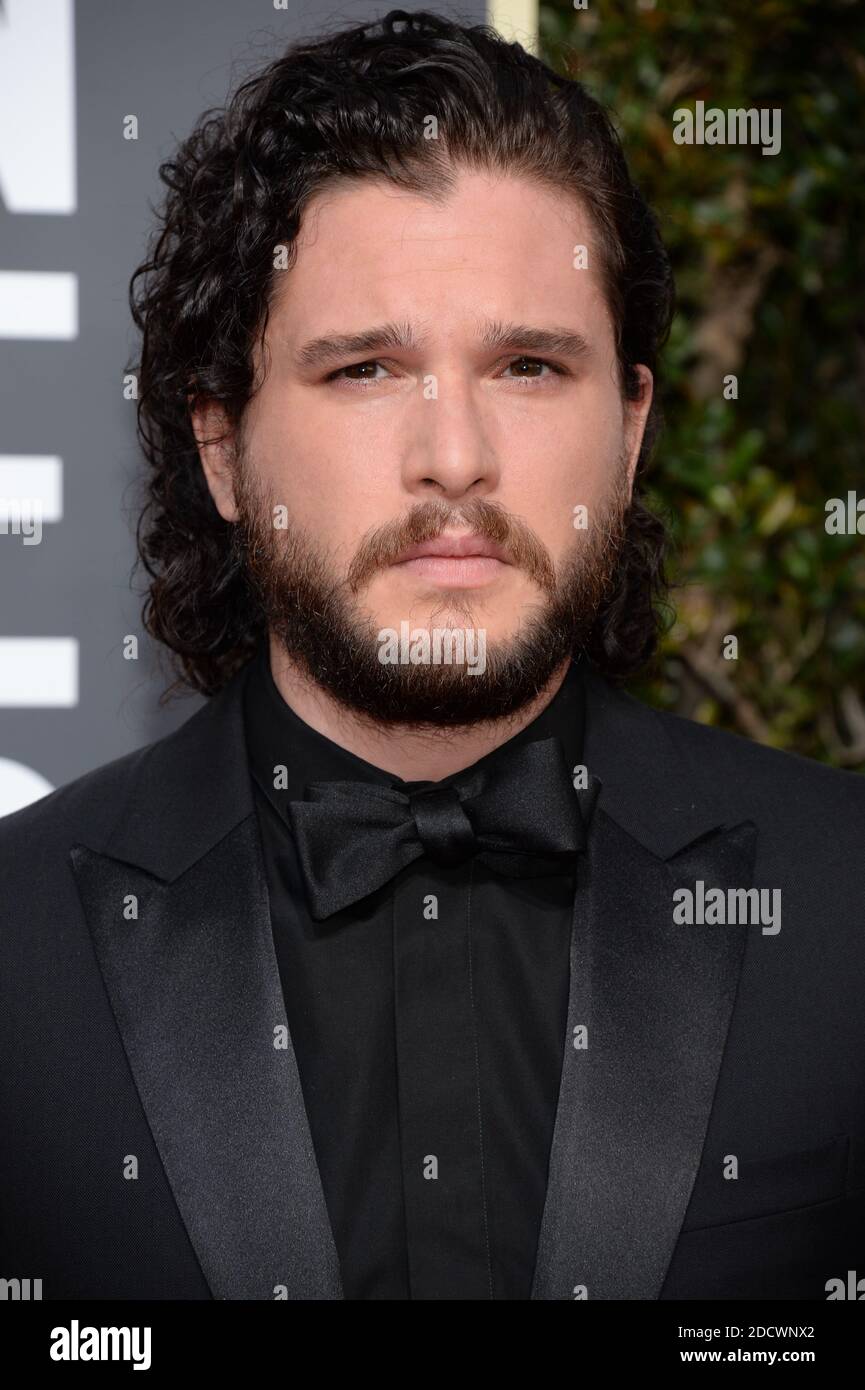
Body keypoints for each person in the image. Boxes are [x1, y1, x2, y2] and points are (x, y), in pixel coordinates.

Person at [1, 9, 862, 1302]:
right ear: (224, 447)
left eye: (525, 364)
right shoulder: (20, 948)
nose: (452, 456)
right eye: (363, 369)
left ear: (627, 432)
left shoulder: (845, 898)